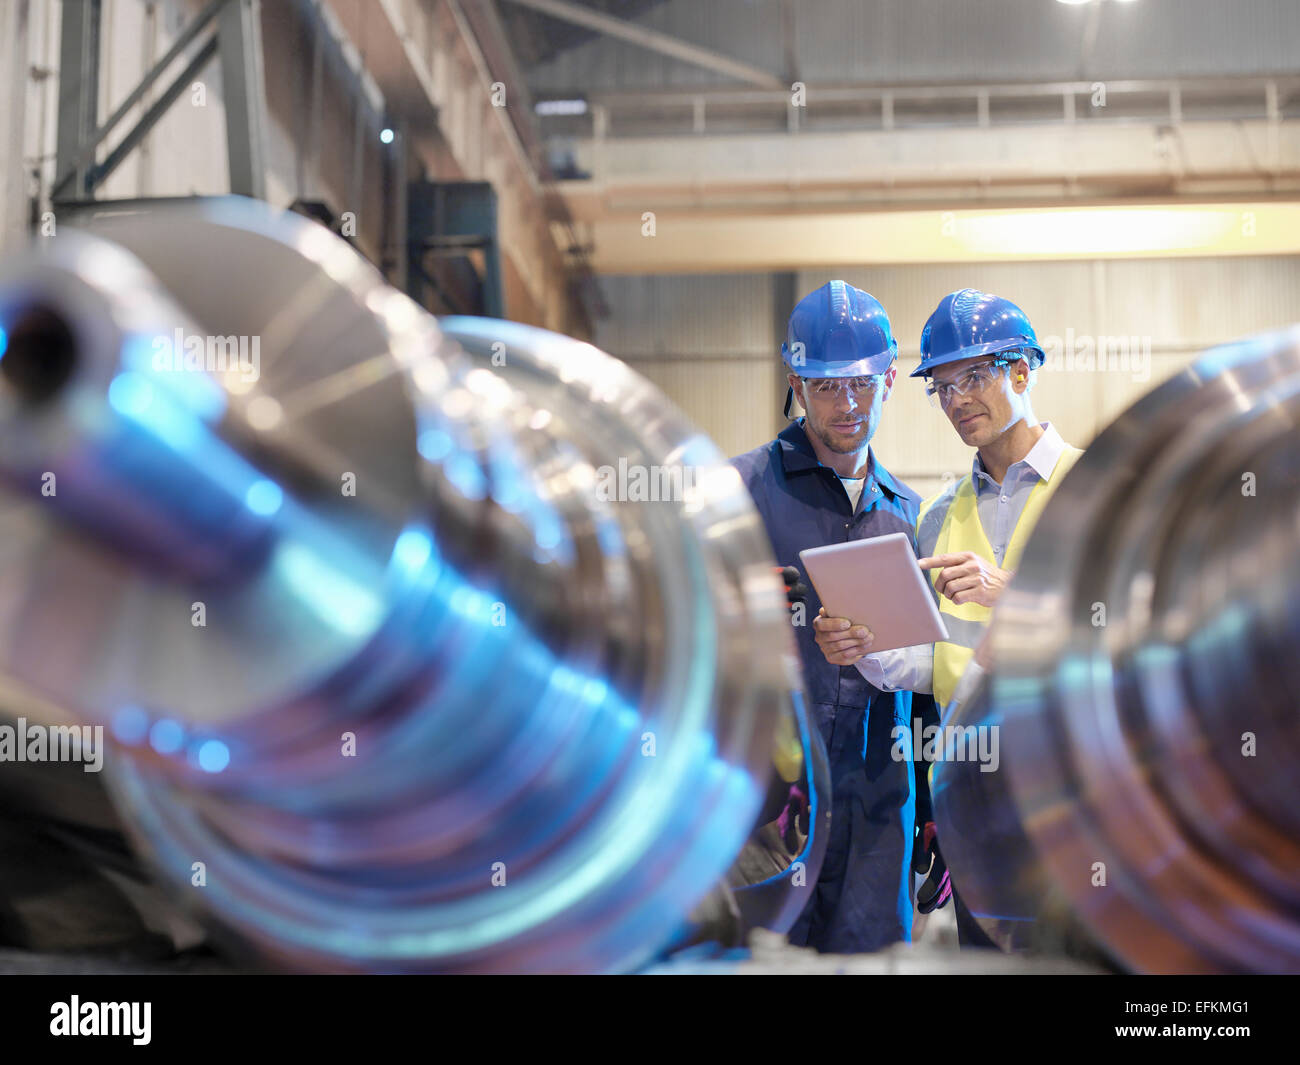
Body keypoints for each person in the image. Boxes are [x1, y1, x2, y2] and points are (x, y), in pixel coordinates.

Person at [812, 288, 1085, 942]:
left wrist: (1015, 596)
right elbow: (926, 662)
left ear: (1023, 370)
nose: (957, 398)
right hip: (975, 798)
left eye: (974, 376)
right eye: (942, 384)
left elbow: (1144, 634)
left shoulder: (1095, 490)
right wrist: (863, 647)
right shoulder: (937, 516)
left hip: (1078, 794)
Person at [732, 280, 936, 953]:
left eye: (861, 383)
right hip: (763, 801)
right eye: (825, 386)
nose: (847, 404)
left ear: (889, 379)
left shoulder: (908, 513)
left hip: (879, 807)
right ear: (795, 382)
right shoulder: (737, 493)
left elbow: (930, 668)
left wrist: (932, 809)